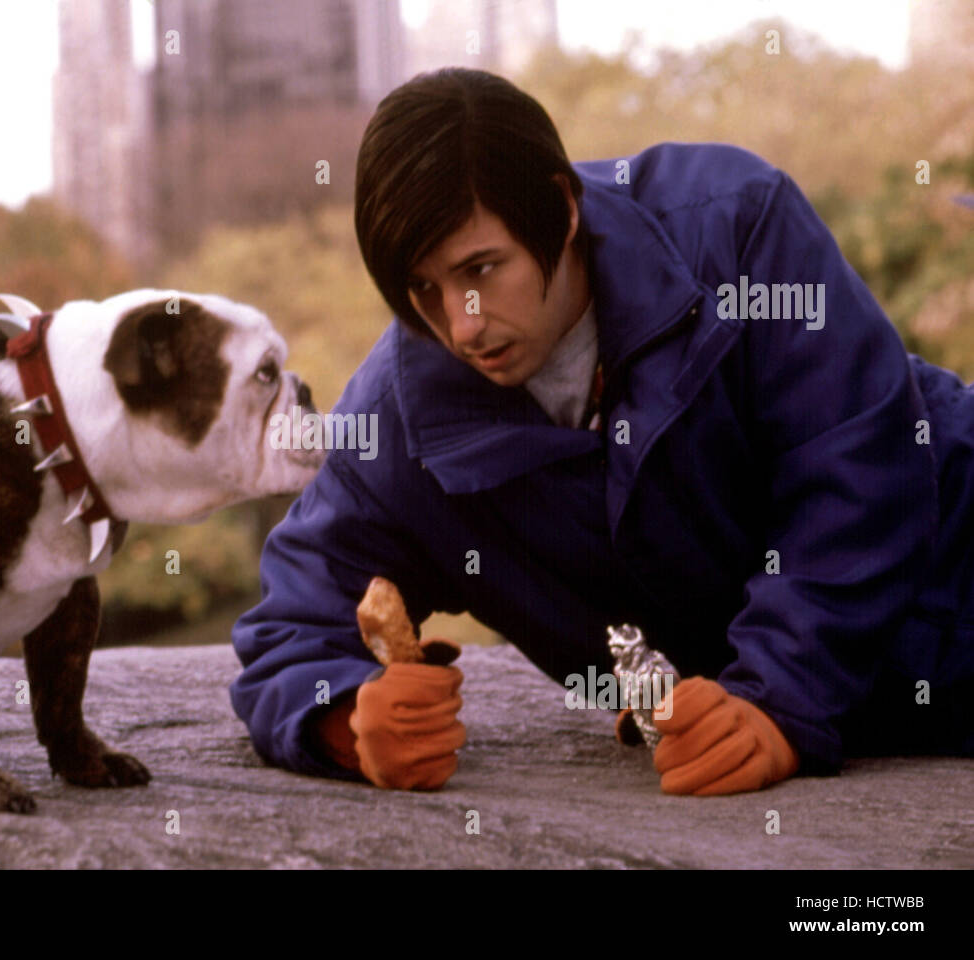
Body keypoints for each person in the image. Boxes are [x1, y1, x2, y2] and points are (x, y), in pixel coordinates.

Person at [229, 67, 974, 795]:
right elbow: (291, 628)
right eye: (423, 289)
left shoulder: (740, 226)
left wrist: (778, 698)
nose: (462, 323)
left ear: (562, 208)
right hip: (866, 732)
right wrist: (350, 721)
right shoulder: (393, 422)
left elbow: (861, 461)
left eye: (481, 268)